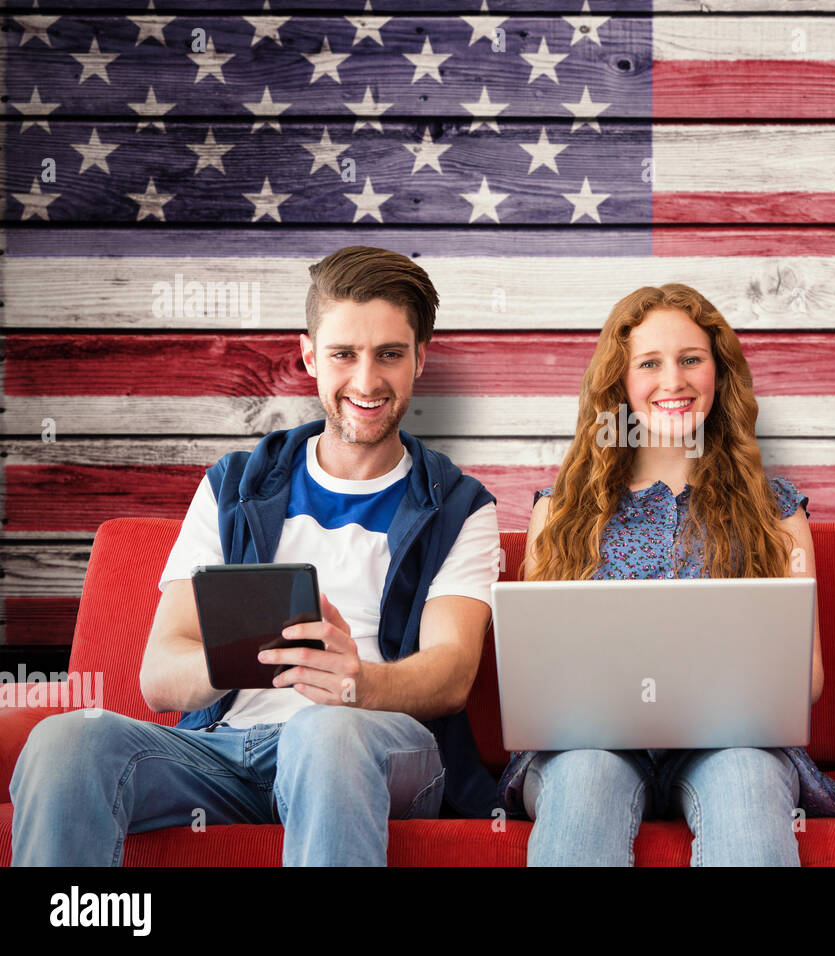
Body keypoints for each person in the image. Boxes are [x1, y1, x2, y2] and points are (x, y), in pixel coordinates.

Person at [9, 246, 503, 866]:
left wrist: (359, 682)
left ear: (420, 360)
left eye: (390, 354)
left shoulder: (460, 505)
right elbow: (160, 677)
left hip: (371, 746)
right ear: (309, 355)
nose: (367, 380)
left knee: (325, 733)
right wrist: (252, 652)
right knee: (65, 741)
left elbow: (452, 675)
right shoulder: (234, 487)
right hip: (225, 751)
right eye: (344, 353)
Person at [498, 282, 835, 867]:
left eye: (692, 359)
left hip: (733, 745)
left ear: (720, 375)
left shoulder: (776, 512)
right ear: (618, 382)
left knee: (745, 782)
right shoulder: (559, 509)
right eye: (650, 363)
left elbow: (805, 682)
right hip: (589, 748)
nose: (674, 381)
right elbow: (537, 676)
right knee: (586, 780)